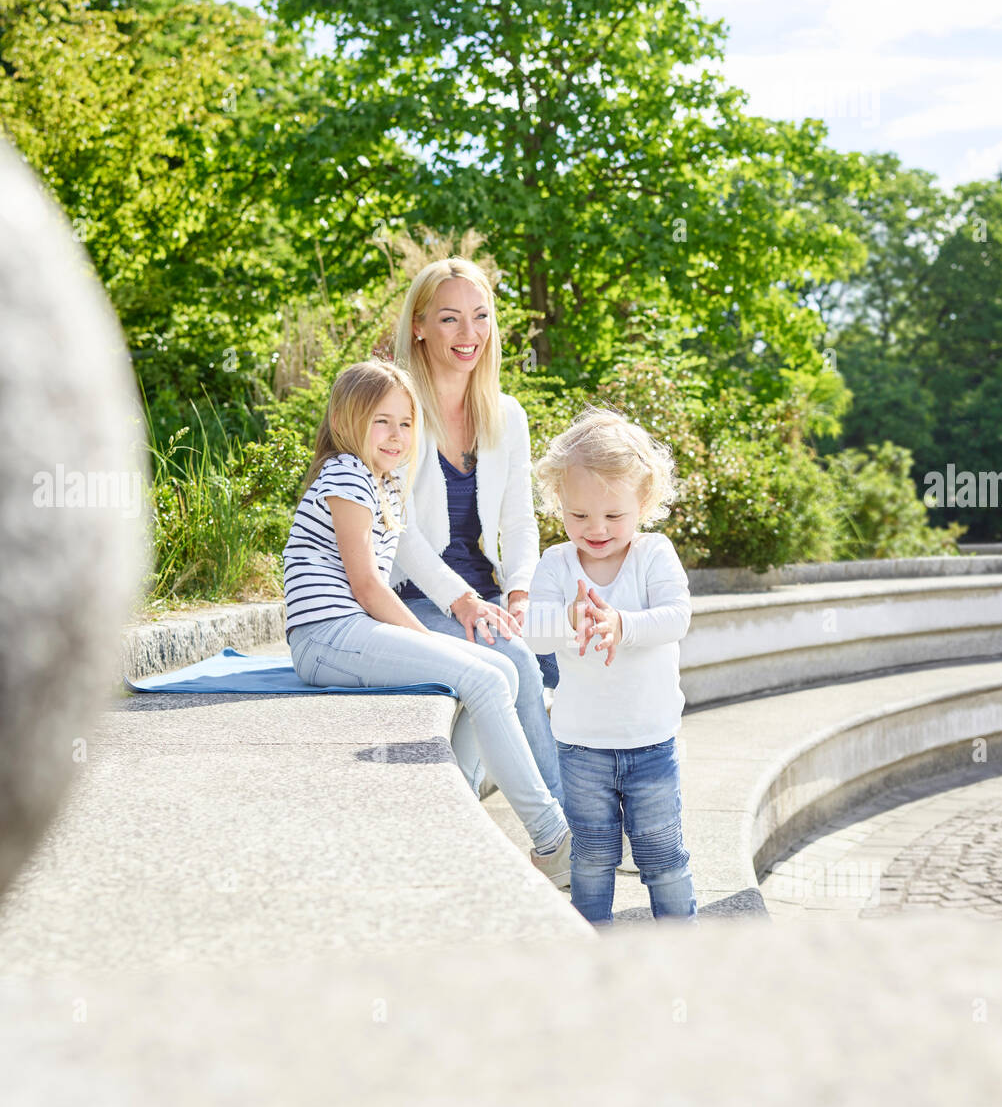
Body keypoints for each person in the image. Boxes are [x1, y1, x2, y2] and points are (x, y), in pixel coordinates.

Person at [283, 359, 571, 884]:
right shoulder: (347, 473)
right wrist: (431, 644)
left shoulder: (385, 481)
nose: (396, 436)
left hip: (349, 631)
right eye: (381, 422)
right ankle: (555, 840)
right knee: (483, 674)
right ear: (349, 421)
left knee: (503, 672)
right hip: (325, 636)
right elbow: (366, 585)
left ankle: (450, 822)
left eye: (406, 423)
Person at [389, 257, 563, 814]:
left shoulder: (506, 414)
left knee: (576, 645)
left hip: (486, 595)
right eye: (449, 319)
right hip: (414, 598)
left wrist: (518, 591)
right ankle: (568, 831)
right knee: (513, 661)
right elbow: (400, 534)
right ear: (418, 325)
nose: (470, 335)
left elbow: (519, 522)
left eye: (481, 316)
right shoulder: (395, 409)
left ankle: (454, 813)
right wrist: (465, 604)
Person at [524, 408, 698, 926]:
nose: (595, 529)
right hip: (581, 748)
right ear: (559, 504)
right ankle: (590, 952)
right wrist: (571, 616)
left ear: (643, 502)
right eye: (578, 516)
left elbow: (677, 617)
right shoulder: (557, 565)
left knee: (663, 860)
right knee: (592, 859)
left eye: (612, 516)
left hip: (651, 743)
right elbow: (532, 632)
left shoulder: (653, 556)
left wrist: (620, 624)